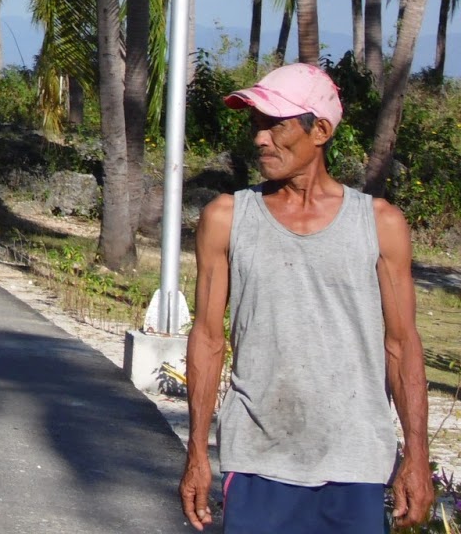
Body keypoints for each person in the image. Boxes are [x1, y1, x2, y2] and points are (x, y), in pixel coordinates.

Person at [179, 61, 434, 533]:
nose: (260, 139)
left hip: (354, 462)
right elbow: (208, 339)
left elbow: (402, 346)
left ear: (319, 130)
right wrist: (197, 451)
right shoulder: (227, 218)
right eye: (256, 126)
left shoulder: (379, 225)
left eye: (274, 125)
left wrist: (417, 456)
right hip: (258, 460)